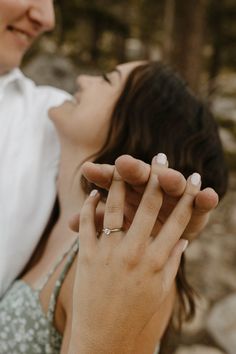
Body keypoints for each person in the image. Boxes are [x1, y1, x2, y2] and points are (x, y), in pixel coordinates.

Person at [0, 61, 228, 353]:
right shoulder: (53, 215)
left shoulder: (123, 264)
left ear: (135, 128)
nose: (83, 79)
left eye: (107, 80)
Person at [0, 0, 220, 300]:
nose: (48, 18)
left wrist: (169, 236)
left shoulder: (45, 115)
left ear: (125, 132)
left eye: (106, 79)